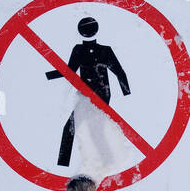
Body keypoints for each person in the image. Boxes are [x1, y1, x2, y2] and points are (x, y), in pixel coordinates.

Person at [46, 17, 130, 167]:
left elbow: (68, 71)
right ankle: (106, 159)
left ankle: (66, 164)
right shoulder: (99, 50)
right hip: (92, 94)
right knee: (89, 129)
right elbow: (119, 72)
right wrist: (48, 75)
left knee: (77, 129)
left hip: (97, 95)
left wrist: (127, 93)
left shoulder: (89, 50)